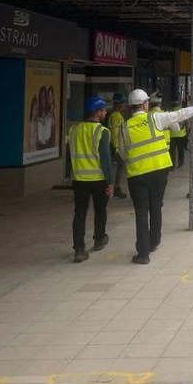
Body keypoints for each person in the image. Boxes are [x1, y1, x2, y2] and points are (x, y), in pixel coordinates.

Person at [117, 89, 193, 264]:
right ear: (145, 104)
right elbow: (180, 115)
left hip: (137, 175)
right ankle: (155, 241)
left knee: (141, 211)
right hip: (159, 171)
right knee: (156, 206)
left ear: (131, 107)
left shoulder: (124, 127)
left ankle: (143, 253)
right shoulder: (155, 118)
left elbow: (122, 153)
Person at [68, 96, 113, 263]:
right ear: (97, 112)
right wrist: (110, 182)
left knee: (79, 213)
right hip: (98, 179)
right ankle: (99, 239)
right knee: (100, 210)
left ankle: (79, 249)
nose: (105, 113)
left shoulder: (74, 130)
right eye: (103, 110)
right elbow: (106, 160)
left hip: (79, 179)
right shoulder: (102, 132)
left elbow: (69, 156)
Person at [106, 93, 128, 198]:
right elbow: (115, 133)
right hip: (115, 146)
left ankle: (113, 188)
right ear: (119, 104)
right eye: (124, 103)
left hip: (114, 146)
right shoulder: (116, 116)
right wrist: (116, 147)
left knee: (118, 166)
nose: (125, 105)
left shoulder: (115, 114)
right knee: (122, 165)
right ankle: (116, 188)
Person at [169, 101, 188, 169]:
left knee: (172, 151)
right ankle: (180, 163)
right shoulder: (182, 112)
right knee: (180, 150)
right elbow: (186, 123)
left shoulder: (170, 112)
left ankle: (172, 165)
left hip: (172, 135)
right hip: (182, 134)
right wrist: (187, 132)